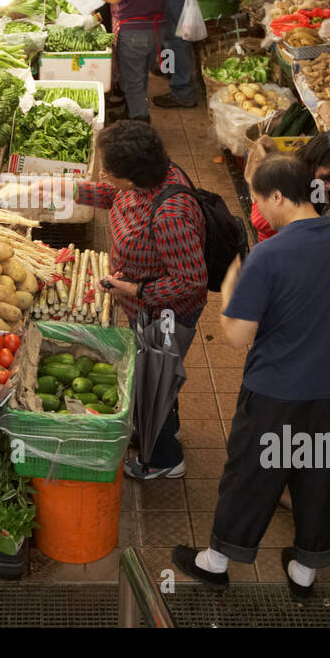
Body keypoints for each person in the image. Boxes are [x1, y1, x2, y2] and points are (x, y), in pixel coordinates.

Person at [171, 153, 330, 595]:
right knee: (318, 478)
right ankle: (304, 572)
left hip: (273, 393)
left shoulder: (268, 255)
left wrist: (229, 291)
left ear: (278, 196)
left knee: (251, 475)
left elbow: (237, 336)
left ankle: (216, 562)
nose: (260, 211)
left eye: (260, 200)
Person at [72, 120, 208, 479]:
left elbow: (191, 281)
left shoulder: (170, 216)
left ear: (132, 176)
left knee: (151, 385)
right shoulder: (150, 178)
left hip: (165, 315)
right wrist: (70, 191)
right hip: (143, 310)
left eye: (107, 169)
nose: (101, 173)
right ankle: (168, 427)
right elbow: (116, 196)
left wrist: (134, 291)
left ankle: (164, 460)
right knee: (159, 373)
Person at [245, 128, 330, 242]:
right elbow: (259, 220)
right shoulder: (287, 178)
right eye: (326, 180)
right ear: (315, 160)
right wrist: (326, 231)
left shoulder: (321, 184)